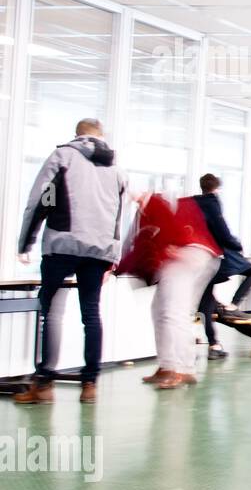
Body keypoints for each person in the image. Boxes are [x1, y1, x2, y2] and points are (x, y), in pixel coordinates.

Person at [14, 119, 128, 404]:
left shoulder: (63, 156)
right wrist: (113, 257)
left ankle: (44, 384)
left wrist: (26, 241)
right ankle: (90, 384)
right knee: (91, 313)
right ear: (102, 137)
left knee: (51, 312)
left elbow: (43, 200)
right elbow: (118, 216)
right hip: (100, 250)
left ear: (77, 135)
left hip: (62, 245)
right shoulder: (116, 169)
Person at [136, 194, 222, 391]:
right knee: (161, 310)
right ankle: (168, 366)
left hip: (186, 254)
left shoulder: (154, 202)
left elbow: (165, 231)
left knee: (173, 313)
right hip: (194, 254)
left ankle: (184, 368)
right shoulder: (151, 205)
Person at [192, 173, 251, 361]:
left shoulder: (193, 203)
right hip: (216, 256)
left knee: (205, 304)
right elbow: (221, 229)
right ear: (216, 188)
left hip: (198, 259)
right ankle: (232, 306)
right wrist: (236, 245)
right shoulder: (212, 202)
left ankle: (214, 344)